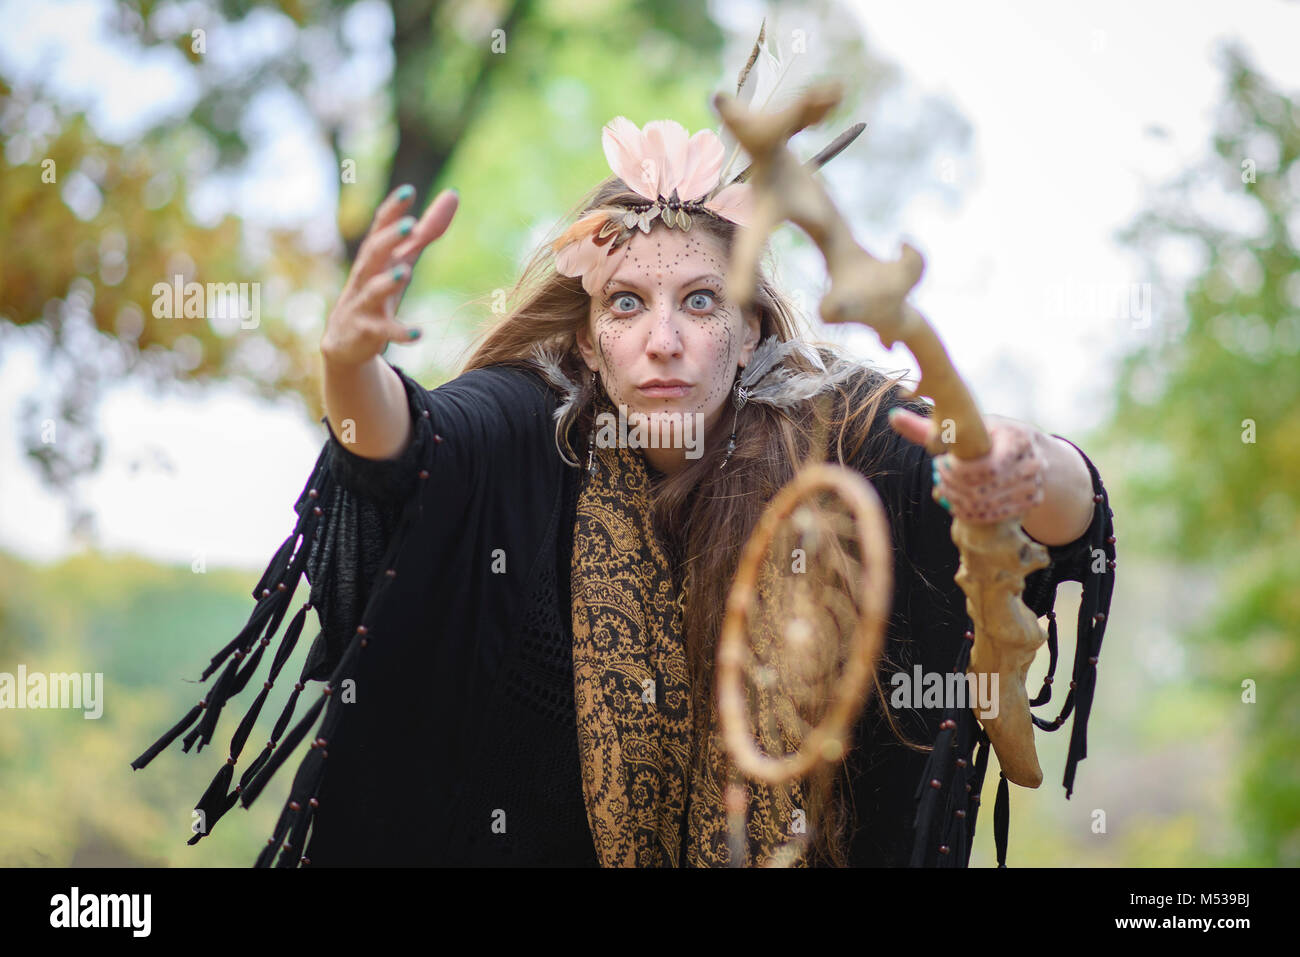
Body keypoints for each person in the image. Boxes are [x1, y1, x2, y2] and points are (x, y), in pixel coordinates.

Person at [133, 111, 1116, 869]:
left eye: (701, 300)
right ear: (588, 335)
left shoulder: (843, 426)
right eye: (627, 303)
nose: (664, 338)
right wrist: (348, 369)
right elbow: (406, 450)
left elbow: (1048, 519)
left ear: (749, 331)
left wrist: (1028, 466)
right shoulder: (532, 422)